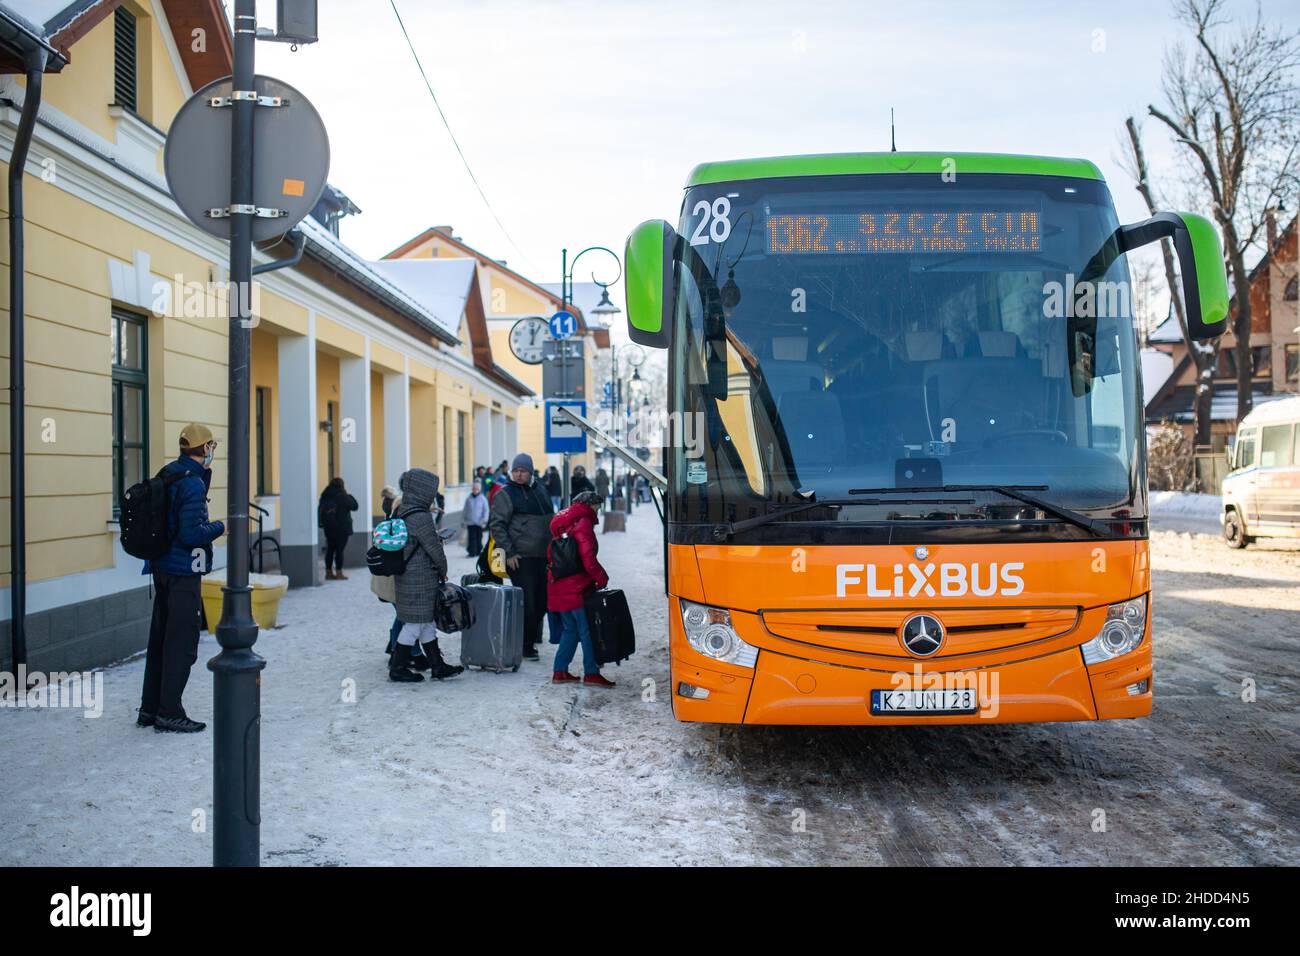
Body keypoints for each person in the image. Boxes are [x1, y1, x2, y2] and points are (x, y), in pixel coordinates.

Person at [137, 424, 226, 733]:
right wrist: (219, 527)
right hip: (182, 572)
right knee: (182, 642)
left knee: (161, 640)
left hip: (161, 567)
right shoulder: (192, 485)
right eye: (212, 445)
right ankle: (170, 711)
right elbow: (190, 534)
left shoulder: (171, 472)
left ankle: (150, 708)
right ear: (203, 449)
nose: (213, 450)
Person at [389, 468, 463, 683]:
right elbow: (433, 549)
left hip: (408, 575)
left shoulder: (403, 510)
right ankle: (398, 667)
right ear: (422, 491)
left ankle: (437, 665)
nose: (433, 494)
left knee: (426, 622)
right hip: (419, 577)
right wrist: (443, 570)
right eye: (431, 490)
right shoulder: (421, 516)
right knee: (414, 624)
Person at [488, 453, 554, 661]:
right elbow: (497, 525)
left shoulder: (540, 490)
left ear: (530, 472)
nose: (518, 474)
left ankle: (530, 638)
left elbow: (549, 519)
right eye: (515, 470)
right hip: (520, 557)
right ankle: (526, 645)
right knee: (528, 603)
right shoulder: (505, 494)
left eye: (522, 471)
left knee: (543, 602)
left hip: (542, 557)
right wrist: (509, 551)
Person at [547, 491, 615, 687]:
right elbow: (588, 557)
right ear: (590, 505)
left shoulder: (563, 519)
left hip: (558, 582)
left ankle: (560, 671)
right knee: (587, 630)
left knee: (571, 629)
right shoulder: (583, 522)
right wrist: (601, 578)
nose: (598, 510)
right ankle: (591, 672)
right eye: (598, 506)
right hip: (576, 585)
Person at [318, 477, 359, 580]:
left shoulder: (325, 495)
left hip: (329, 528)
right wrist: (348, 495)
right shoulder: (343, 496)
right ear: (341, 485)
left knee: (330, 549)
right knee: (339, 551)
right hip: (342, 528)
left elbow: (320, 509)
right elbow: (355, 506)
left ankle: (328, 573)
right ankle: (339, 573)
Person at [462, 478, 489, 557]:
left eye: (476, 489)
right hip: (470, 522)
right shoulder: (468, 499)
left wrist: (484, 520)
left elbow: (486, 510)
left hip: (479, 522)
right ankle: (471, 552)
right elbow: (465, 510)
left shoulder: (483, 499)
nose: (475, 490)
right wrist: (463, 520)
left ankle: (478, 550)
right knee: (471, 538)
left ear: (479, 489)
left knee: (479, 537)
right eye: (473, 489)